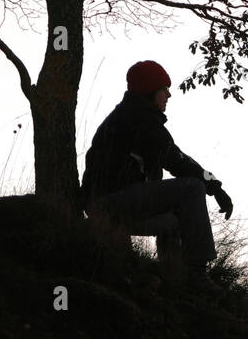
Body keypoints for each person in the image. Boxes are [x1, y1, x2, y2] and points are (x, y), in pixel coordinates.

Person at [80, 60, 233, 282]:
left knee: (174, 220)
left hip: (111, 206)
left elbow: (176, 158)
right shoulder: (138, 119)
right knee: (192, 188)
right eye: (164, 89)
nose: (168, 95)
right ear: (150, 90)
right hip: (110, 203)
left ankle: (175, 276)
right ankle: (198, 273)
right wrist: (214, 186)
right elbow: (178, 160)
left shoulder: (133, 116)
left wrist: (213, 183)